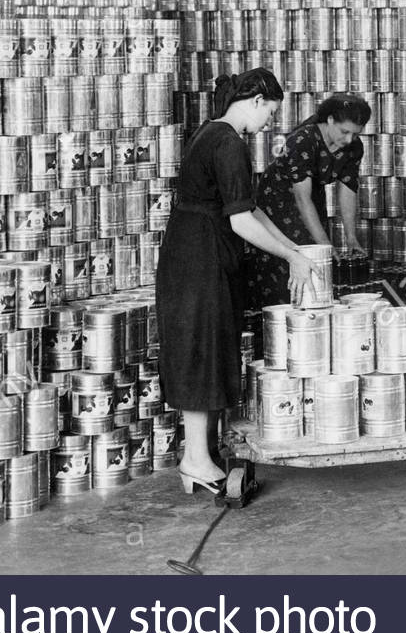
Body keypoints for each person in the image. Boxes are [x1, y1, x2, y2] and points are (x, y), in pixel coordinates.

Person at [156, 69, 314, 496]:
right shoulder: (229, 144)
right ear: (257, 101)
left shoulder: (212, 133)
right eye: (271, 113)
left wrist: (293, 250)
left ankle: (200, 455)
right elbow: (242, 221)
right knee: (201, 349)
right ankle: (195, 461)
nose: (269, 124)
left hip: (196, 253)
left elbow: (251, 208)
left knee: (208, 347)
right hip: (199, 258)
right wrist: (289, 256)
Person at [244, 93, 371, 311]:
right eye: (344, 131)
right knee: (293, 259)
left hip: (313, 198)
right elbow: (301, 198)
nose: (349, 139)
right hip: (278, 201)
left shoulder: (353, 147)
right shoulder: (303, 140)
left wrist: (351, 237)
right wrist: (325, 244)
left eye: (355, 133)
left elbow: (348, 189)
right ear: (330, 120)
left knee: (317, 257)